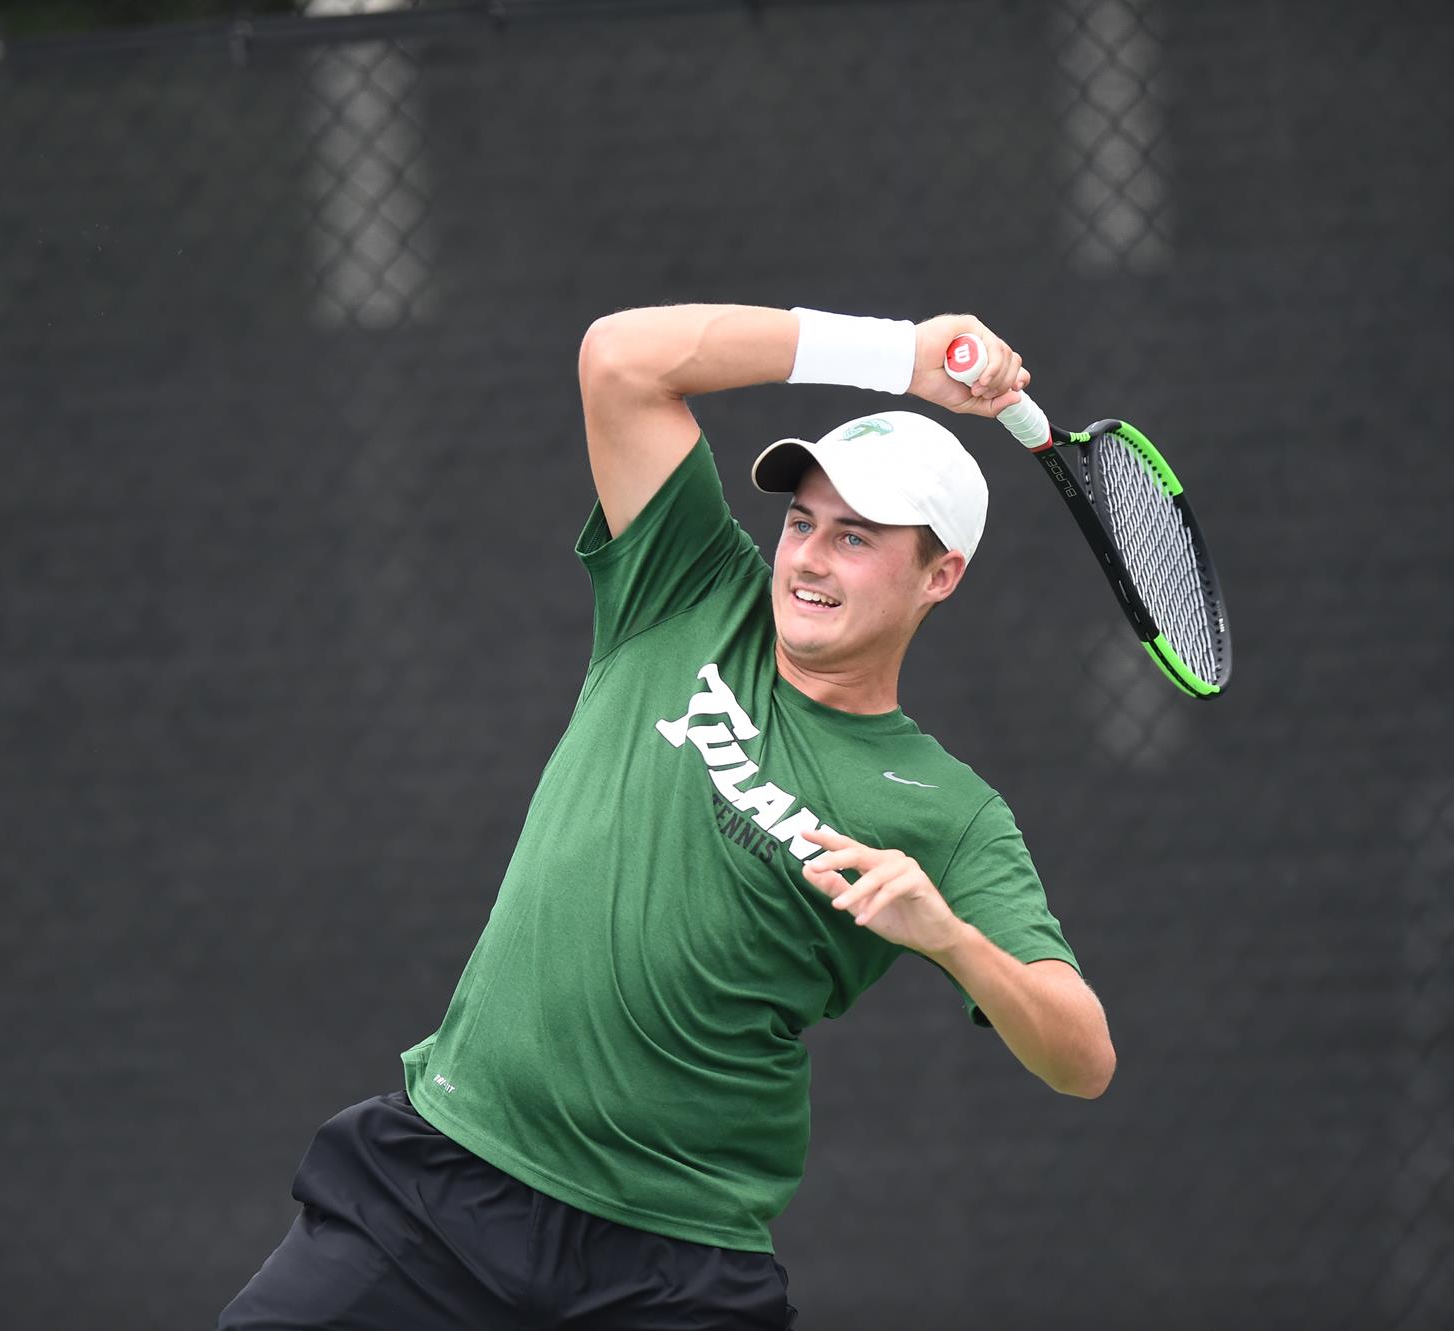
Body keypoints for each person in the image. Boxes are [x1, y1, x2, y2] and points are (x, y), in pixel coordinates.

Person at [220, 304, 1116, 1331]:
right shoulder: (687, 586)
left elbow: (1080, 1055)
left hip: (670, 1267)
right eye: (802, 521)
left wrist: (952, 939)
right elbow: (619, 359)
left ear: (939, 574)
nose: (809, 557)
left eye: (857, 537)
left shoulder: (948, 812)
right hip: (445, 1185)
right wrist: (897, 358)